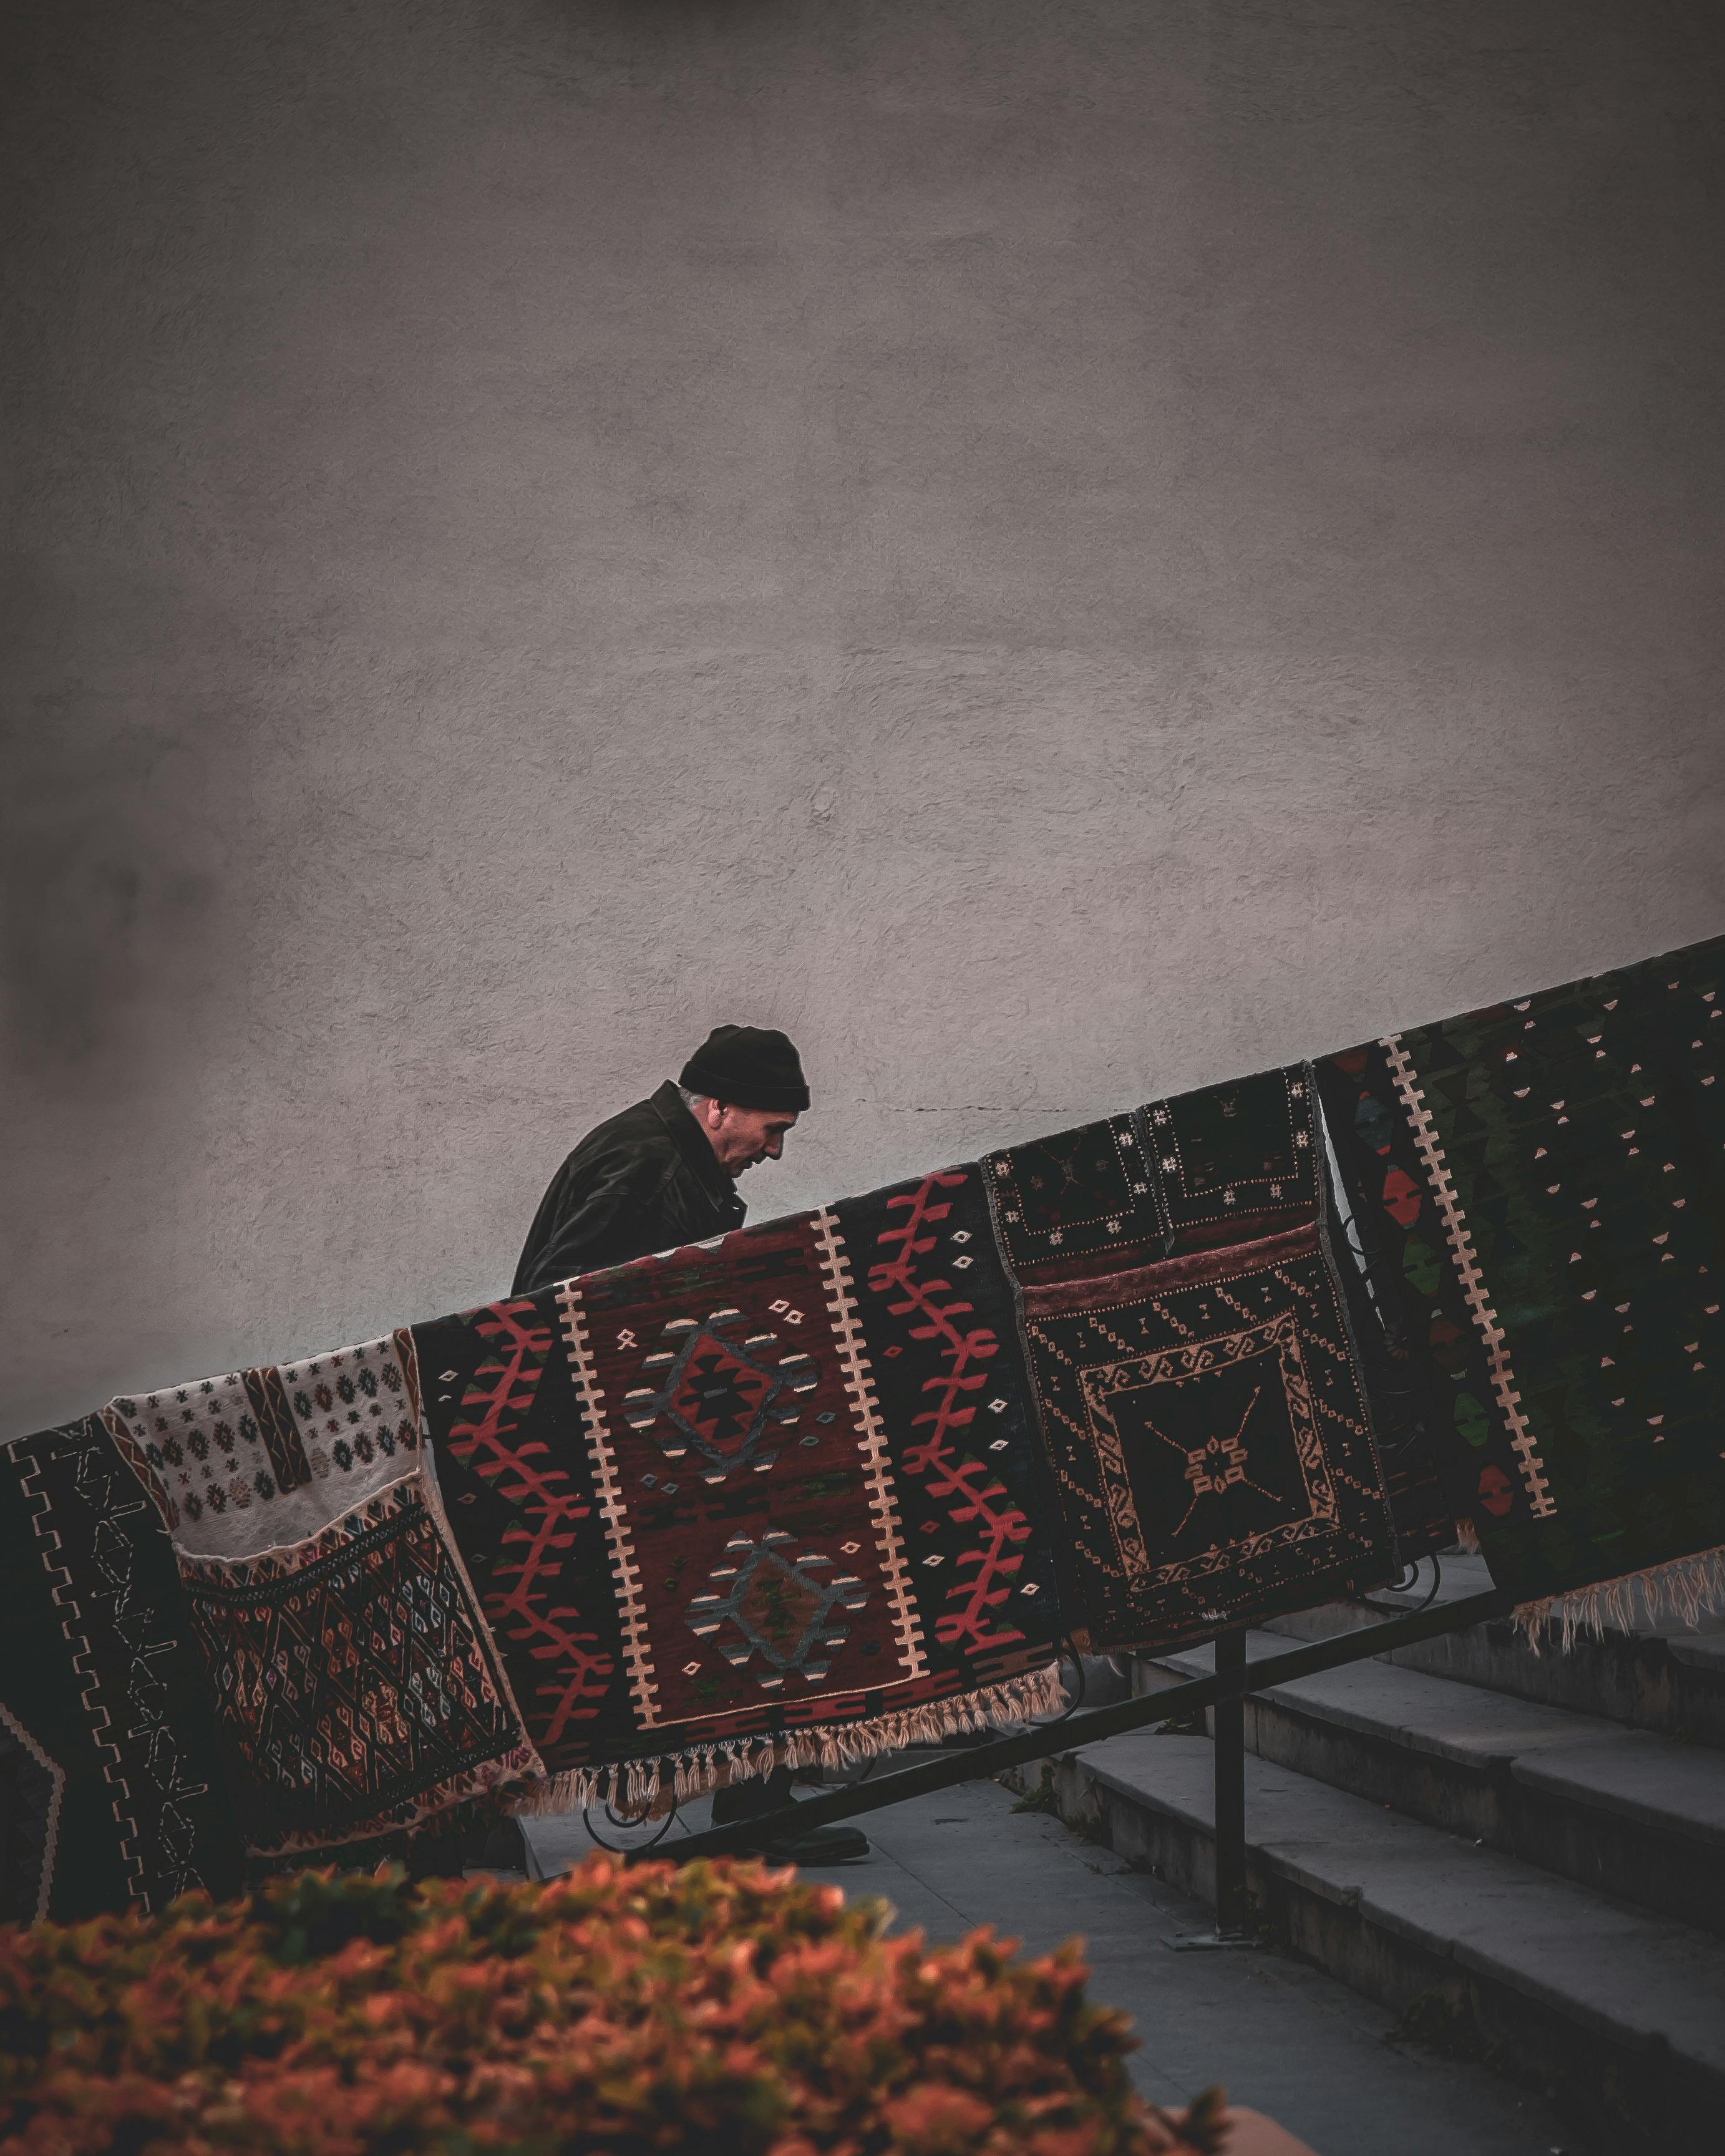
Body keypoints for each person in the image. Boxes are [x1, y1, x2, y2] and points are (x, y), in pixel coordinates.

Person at [497, 1023, 868, 1867]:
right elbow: (553, 1300)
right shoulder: (648, 1161)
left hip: (652, 1447)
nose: (772, 1153)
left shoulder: (663, 1153)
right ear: (717, 1108)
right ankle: (749, 1807)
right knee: (750, 1591)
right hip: (622, 1454)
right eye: (769, 1131)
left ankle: (756, 1801)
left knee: (756, 1593)